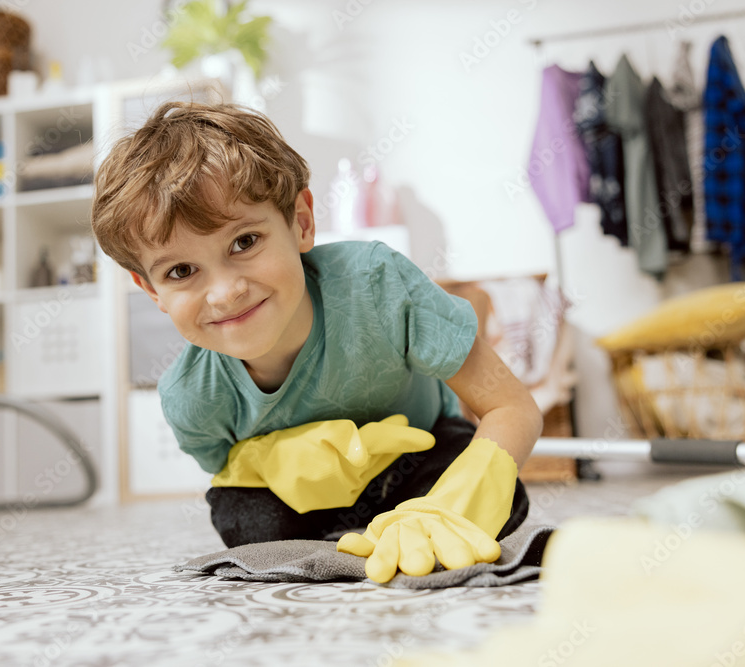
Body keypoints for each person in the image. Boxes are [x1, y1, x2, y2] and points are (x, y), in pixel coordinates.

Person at [92, 101, 543, 583]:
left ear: (301, 222)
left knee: (498, 489)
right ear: (151, 290)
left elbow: (512, 408)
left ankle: (400, 523)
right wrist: (274, 459)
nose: (225, 293)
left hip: (419, 455)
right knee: (244, 516)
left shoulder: (380, 285)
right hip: (304, 505)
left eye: (244, 242)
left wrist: (460, 498)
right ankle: (361, 534)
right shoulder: (190, 397)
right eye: (181, 271)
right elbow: (230, 474)